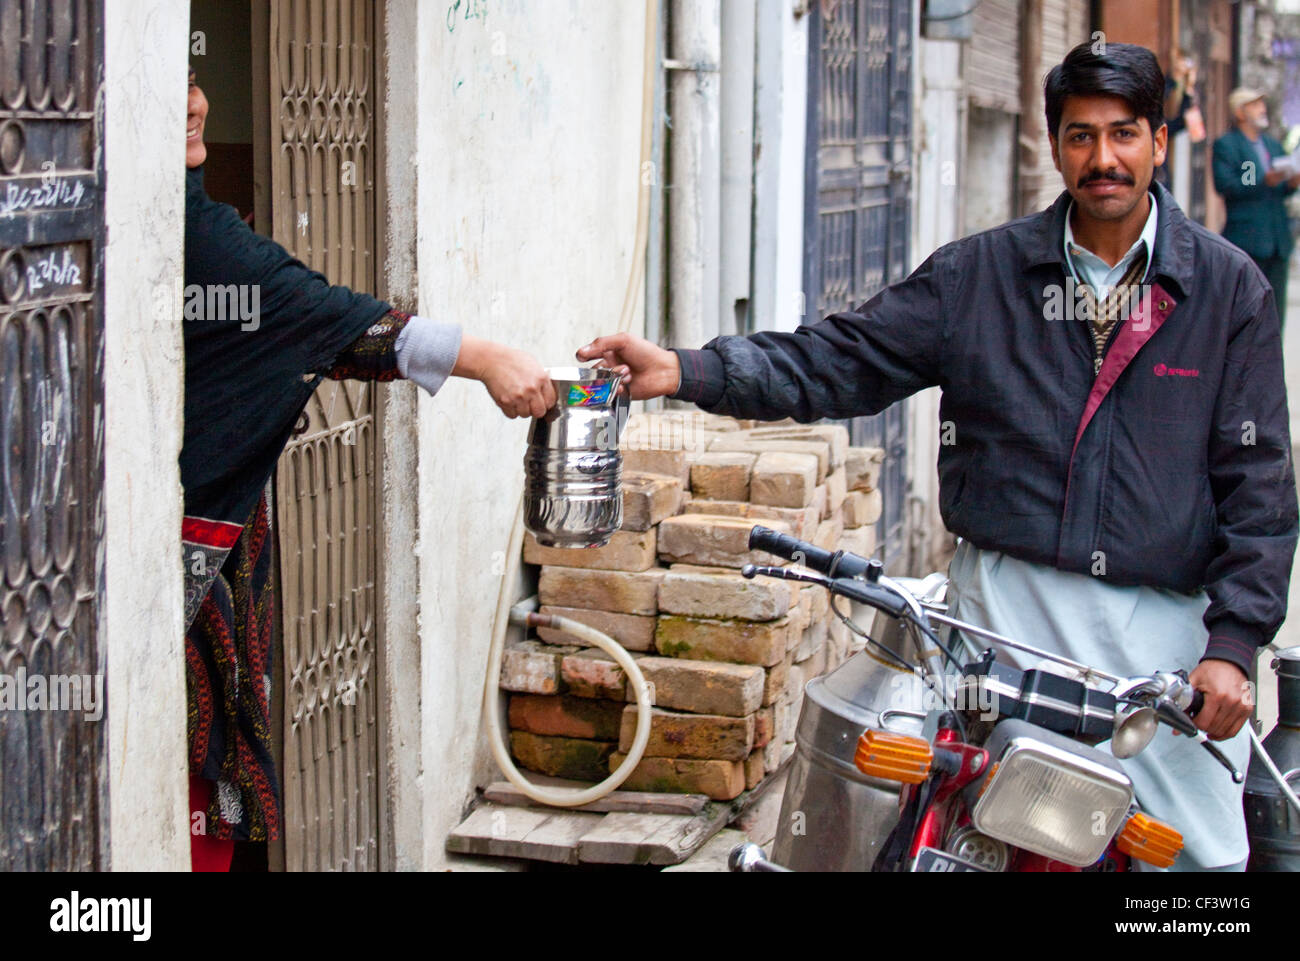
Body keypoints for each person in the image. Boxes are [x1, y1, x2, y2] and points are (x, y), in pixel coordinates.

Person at [579, 42, 1298, 870]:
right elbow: (839, 358)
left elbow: (1260, 486)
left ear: (1159, 143)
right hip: (1005, 626)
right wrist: (687, 369)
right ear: (1055, 145)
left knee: (1196, 867)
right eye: (1079, 136)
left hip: (1163, 649)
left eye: (1124, 134)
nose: (1102, 159)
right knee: (963, 841)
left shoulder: (1227, 288)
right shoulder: (981, 275)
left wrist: (1234, 645)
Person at [182, 68, 555, 871]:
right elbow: (321, 315)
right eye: (162, 86)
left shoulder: (193, 221)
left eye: (192, 79)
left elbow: (303, 314)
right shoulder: (193, 240)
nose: (191, 103)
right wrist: (483, 358)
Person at [1212, 88, 1300, 329]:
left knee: (1275, 313)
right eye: (1255, 104)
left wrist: (1290, 183)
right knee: (1246, 310)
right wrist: (1263, 180)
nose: (1263, 109)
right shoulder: (1230, 145)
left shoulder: (1272, 145)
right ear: (1240, 112)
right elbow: (1229, 185)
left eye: (1262, 103)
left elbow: (1280, 189)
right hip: (1248, 240)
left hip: (1277, 241)